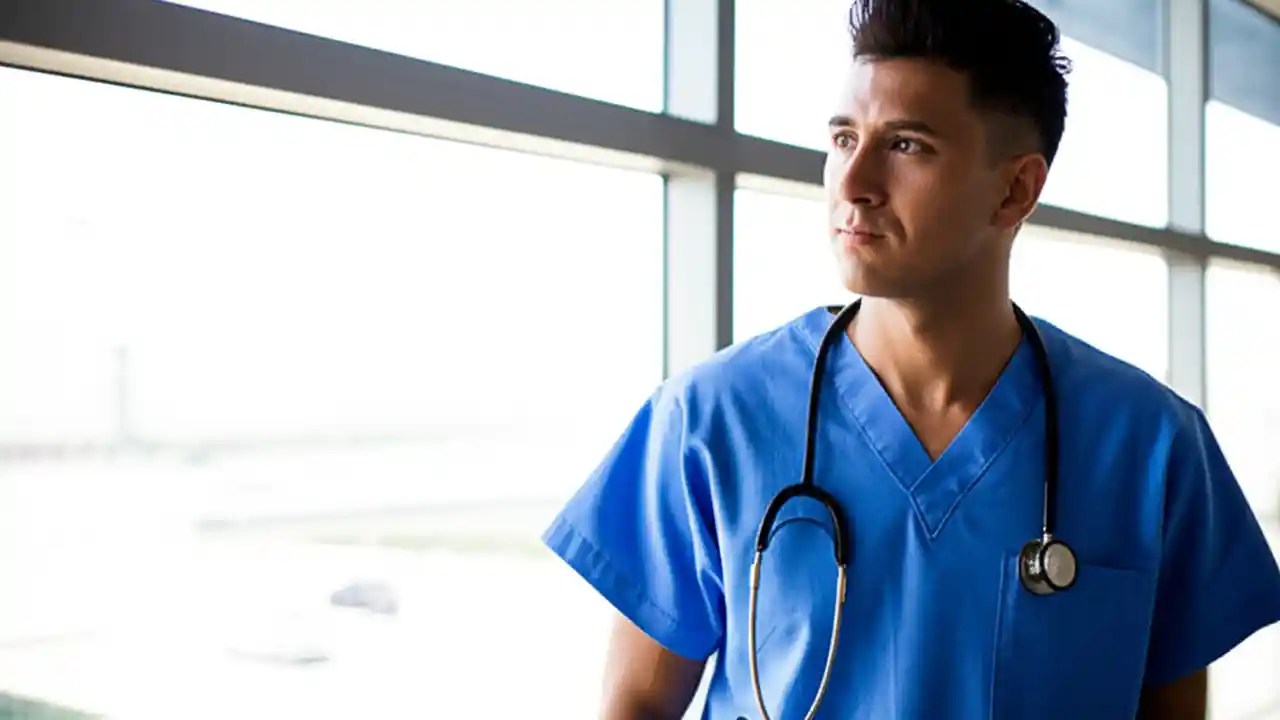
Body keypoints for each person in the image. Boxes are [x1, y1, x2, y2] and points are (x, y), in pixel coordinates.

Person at [541, 0, 1280, 717]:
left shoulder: (1151, 447)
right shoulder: (709, 422)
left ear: (1014, 189)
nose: (853, 186)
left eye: (905, 146)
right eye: (842, 140)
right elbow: (635, 704)